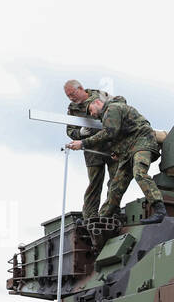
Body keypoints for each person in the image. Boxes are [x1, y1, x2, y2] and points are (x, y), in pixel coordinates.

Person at [67, 96, 166, 225]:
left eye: (90, 110)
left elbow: (109, 133)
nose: (91, 114)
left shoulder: (112, 109)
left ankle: (159, 209)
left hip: (142, 142)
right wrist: (118, 152)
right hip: (130, 149)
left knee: (139, 172)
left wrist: (83, 143)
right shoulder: (109, 115)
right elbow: (121, 136)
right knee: (116, 186)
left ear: (97, 102)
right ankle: (99, 219)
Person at [63, 80, 126, 220]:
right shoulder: (73, 109)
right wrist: (81, 133)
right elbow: (70, 130)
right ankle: (90, 216)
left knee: (116, 180)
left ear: (80, 89)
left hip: (110, 146)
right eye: (68, 96)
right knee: (94, 184)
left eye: (72, 94)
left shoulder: (100, 96)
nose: (71, 98)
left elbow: (121, 102)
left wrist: (111, 114)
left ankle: (111, 212)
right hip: (92, 150)